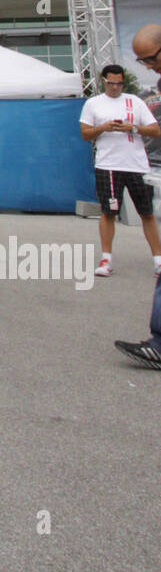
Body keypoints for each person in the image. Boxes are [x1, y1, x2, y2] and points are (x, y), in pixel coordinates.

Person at [79, 63, 161, 369]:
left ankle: (157, 259)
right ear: (103, 82)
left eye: (119, 83)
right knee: (108, 213)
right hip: (108, 165)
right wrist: (105, 127)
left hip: (136, 164)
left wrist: (133, 128)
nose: (115, 87)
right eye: (111, 83)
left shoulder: (136, 102)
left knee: (146, 214)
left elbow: (155, 129)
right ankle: (107, 258)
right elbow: (85, 134)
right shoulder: (93, 104)